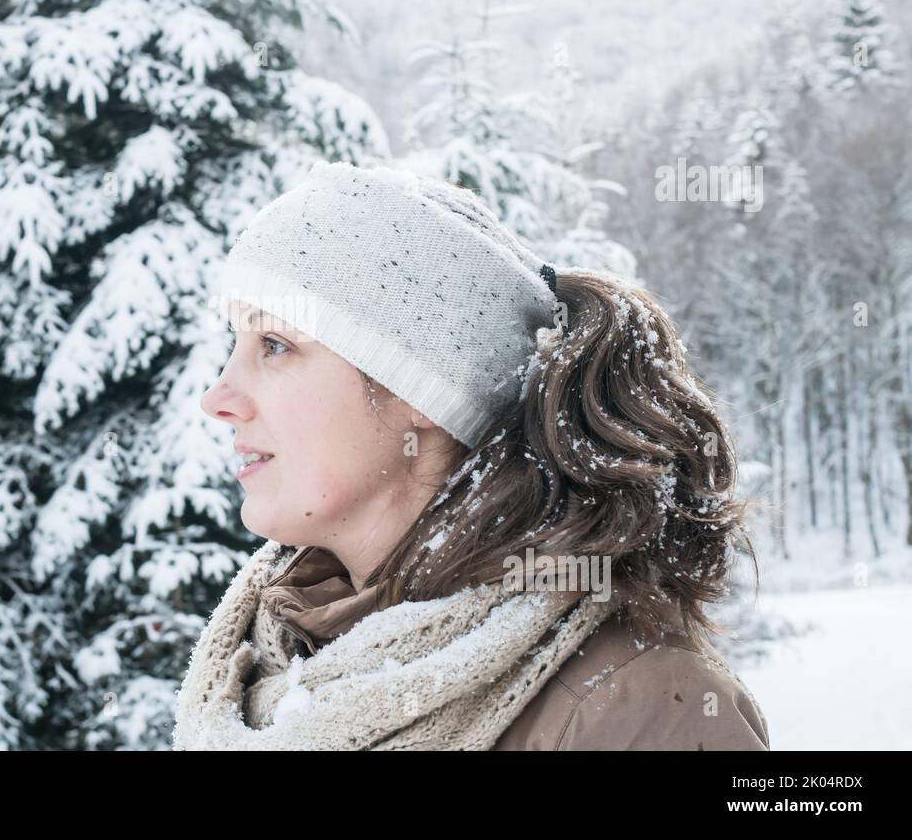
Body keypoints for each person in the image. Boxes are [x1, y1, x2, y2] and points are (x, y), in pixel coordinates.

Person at [173, 160, 769, 751]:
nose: (217, 397)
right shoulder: (262, 676)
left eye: (274, 345)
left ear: (420, 392)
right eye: (236, 345)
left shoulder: (639, 711)